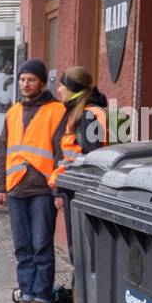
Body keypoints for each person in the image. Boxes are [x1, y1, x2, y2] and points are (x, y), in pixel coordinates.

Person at [0, 59, 64, 303]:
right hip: (15, 188)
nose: (25, 84)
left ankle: (41, 301)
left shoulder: (56, 110)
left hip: (42, 189)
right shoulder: (13, 112)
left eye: (31, 79)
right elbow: (4, 151)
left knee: (41, 247)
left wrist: (58, 190)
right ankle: (26, 297)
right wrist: (0, 187)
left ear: (42, 82)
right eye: (22, 79)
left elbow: (61, 152)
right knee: (22, 248)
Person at [49, 65, 109, 260]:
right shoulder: (89, 112)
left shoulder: (86, 116)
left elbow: (92, 159)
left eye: (62, 86)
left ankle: (82, 290)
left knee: (82, 252)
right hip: (80, 192)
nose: (58, 90)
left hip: (83, 194)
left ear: (72, 89)